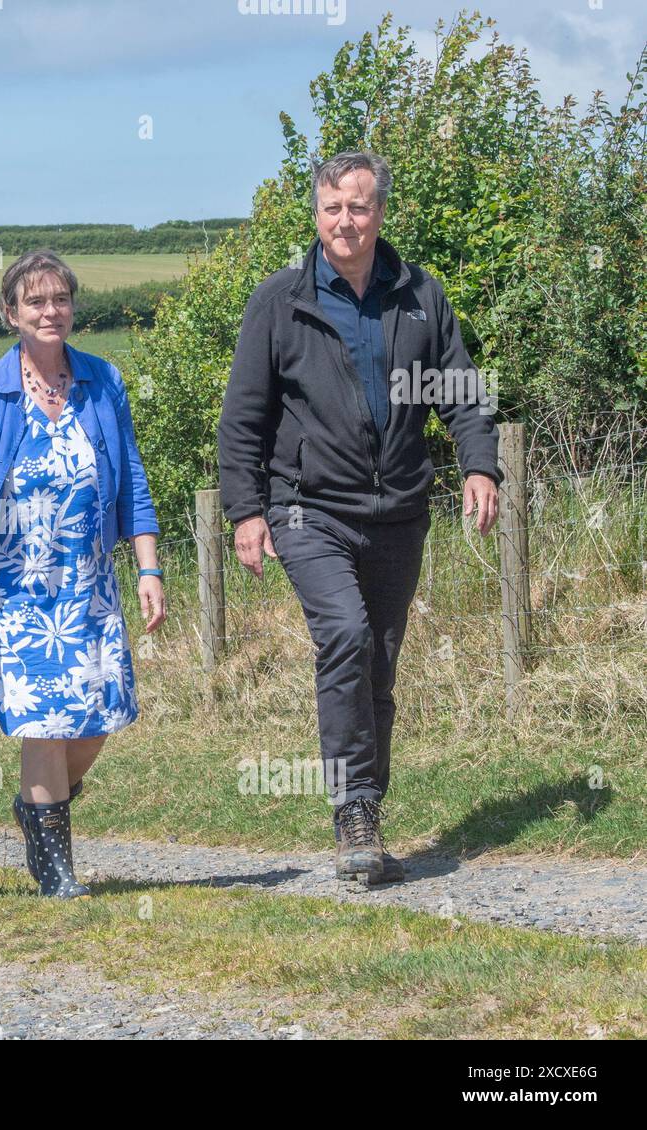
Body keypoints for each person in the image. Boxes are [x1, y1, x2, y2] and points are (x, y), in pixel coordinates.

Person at [218, 151, 500, 885]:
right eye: (332, 207)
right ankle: (353, 814)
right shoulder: (279, 301)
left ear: (380, 213)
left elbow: (462, 392)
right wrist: (246, 511)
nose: (346, 220)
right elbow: (244, 419)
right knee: (342, 634)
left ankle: (365, 807)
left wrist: (478, 463)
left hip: (400, 512)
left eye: (360, 206)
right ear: (315, 214)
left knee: (376, 663)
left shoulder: (418, 297)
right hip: (309, 509)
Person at [0, 249, 165, 898]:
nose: (50, 311)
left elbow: (134, 482)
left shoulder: (103, 381)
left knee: (96, 720)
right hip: (11, 590)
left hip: (86, 584)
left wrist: (147, 568)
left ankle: (38, 810)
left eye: (60, 299)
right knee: (44, 723)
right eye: (35, 301)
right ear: (10, 313)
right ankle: (55, 865)